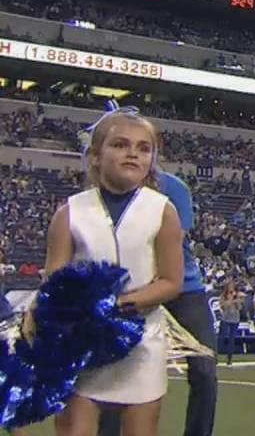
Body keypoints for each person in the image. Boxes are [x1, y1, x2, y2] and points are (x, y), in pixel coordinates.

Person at [32, 111, 183, 436]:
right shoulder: (70, 212)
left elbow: (172, 281)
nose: (133, 153)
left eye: (144, 148)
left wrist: (120, 305)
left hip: (142, 341)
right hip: (80, 343)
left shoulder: (163, 210)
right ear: (96, 156)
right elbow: (54, 278)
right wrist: (78, 309)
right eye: (120, 145)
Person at [99, 169, 218, 436]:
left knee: (204, 369)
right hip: (129, 287)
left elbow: (175, 242)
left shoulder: (173, 188)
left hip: (182, 288)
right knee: (111, 366)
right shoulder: (99, 193)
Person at [217, 281, 244, 366]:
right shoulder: (223, 296)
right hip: (225, 319)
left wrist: (238, 301)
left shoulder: (238, 295)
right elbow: (223, 306)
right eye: (230, 286)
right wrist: (231, 300)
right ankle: (216, 356)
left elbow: (239, 308)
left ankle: (229, 358)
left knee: (232, 339)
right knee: (221, 338)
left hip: (235, 319)